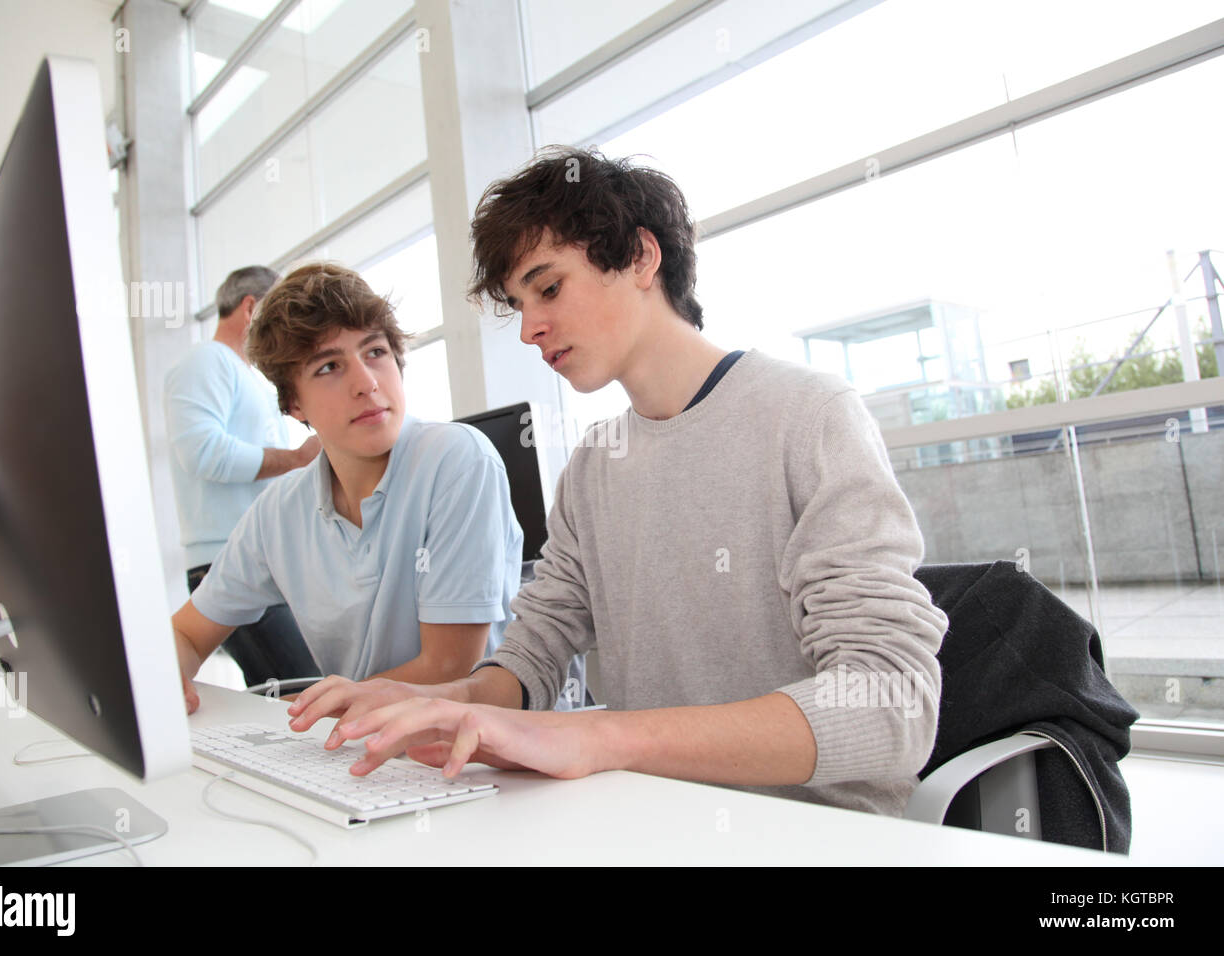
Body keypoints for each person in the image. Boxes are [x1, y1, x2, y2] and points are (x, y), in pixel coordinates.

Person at [285, 148, 950, 816]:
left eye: (547, 289)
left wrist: (601, 735)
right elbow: (531, 659)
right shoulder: (594, 466)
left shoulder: (809, 416)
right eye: (518, 304)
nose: (529, 329)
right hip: (652, 823)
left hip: (815, 833)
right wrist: (435, 703)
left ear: (639, 257)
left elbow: (891, 704)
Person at [175, 263, 523, 716]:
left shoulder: (456, 459)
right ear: (294, 403)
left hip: (485, 753)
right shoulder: (279, 510)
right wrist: (167, 674)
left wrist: (308, 712)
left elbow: (450, 667)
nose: (366, 383)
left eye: (375, 352)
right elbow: (186, 632)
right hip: (368, 753)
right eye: (329, 367)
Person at [164, 265, 320, 688]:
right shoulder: (207, 361)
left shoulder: (247, 376)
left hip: (258, 556)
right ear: (252, 309)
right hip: (225, 562)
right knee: (302, 686)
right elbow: (202, 451)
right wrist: (294, 459)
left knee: (290, 689)